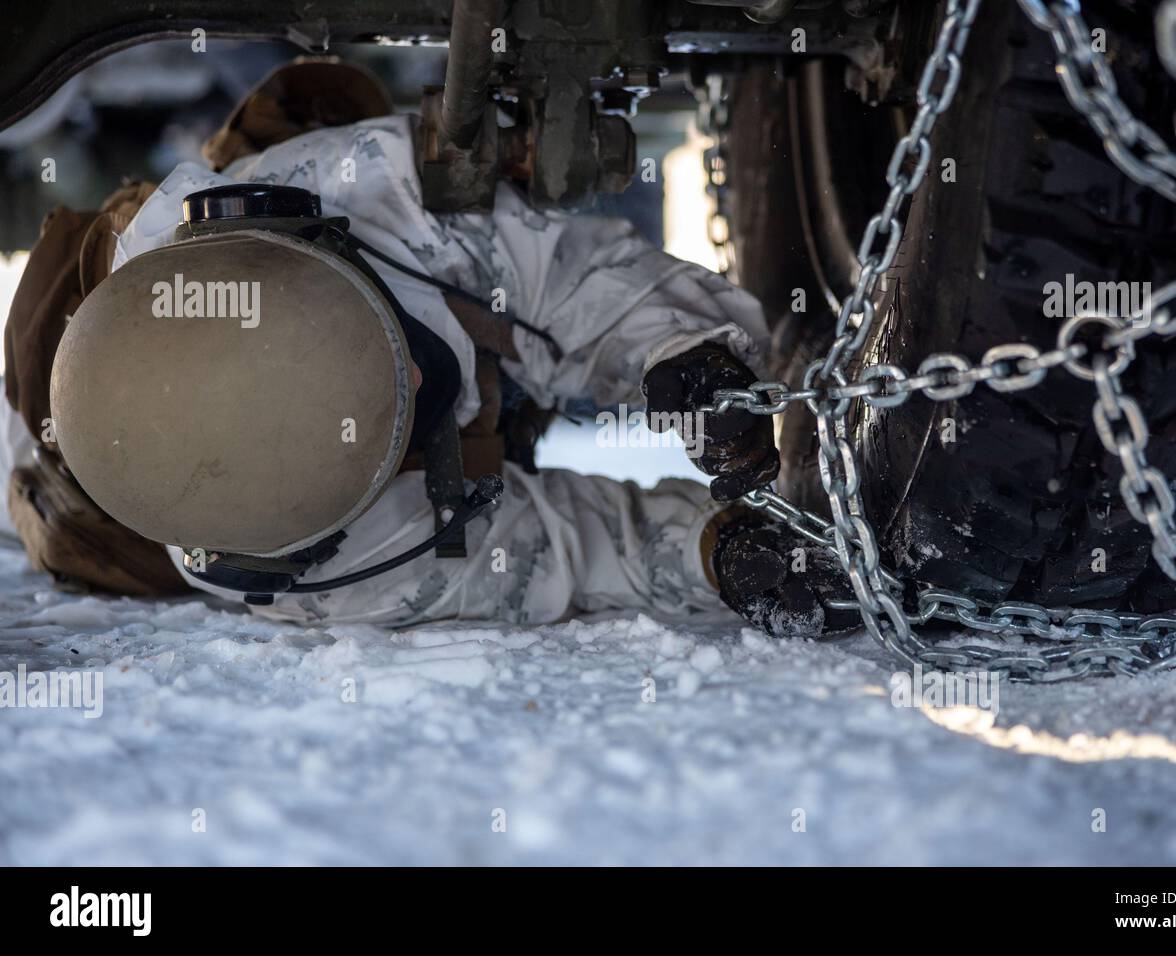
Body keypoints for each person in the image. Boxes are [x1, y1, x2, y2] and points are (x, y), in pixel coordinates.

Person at [4, 60, 856, 637]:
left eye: (387, 357)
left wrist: (681, 348)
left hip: (135, 326)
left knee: (343, 112)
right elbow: (567, 549)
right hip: (82, 481)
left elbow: (556, 277)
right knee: (78, 544)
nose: (413, 374)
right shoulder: (339, 564)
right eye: (394, 410)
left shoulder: (336, 190)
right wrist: (719, 555)